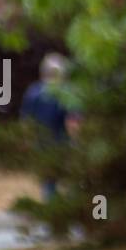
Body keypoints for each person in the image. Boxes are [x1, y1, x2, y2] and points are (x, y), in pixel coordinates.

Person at [19, 53, 75, 201]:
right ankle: (73, 217)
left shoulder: (33, 92)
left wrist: (27, 142)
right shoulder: (66, 92)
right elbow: (73, 122)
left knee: (49, 183)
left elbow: (26, 122)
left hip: (41, 145)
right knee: (72, 182)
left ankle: (53, 219)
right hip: (63, 144)